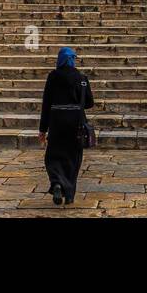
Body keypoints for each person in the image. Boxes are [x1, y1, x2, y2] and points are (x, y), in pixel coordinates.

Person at [38, 47, 94, 206]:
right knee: (73, 157)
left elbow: (46, 104)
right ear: (72, 60)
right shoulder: (82, 78)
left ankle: (56, 183)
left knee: (53, 155)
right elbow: (89, 103)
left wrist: (43, 129)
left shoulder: (53, 77)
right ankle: (69, 193)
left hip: (56, 121)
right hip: (76, 122)